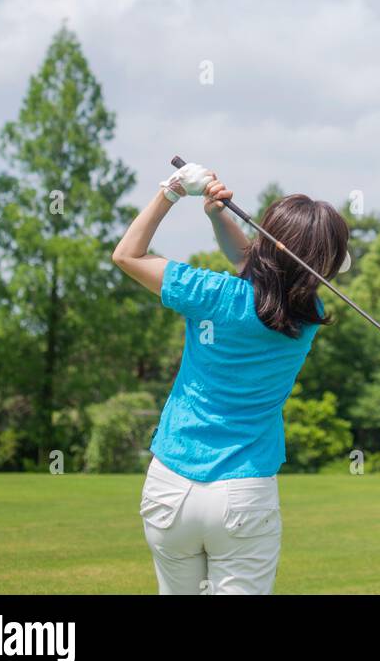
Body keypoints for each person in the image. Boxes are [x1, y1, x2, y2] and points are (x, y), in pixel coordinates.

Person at [111, 161, 350, 595]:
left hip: (171, 486)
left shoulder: (210, 294)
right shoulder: (308, 314)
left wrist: (171, 192)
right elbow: (254, 265)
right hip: (245, 495)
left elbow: (127, 255)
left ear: (268, 240)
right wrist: (217, 213)